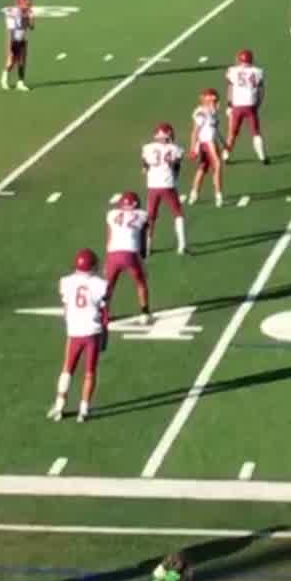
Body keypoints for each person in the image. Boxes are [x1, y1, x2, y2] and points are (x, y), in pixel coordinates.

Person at [49, 248, 108, 422]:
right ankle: (84, 410)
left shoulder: (65, 282)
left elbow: (66, 306)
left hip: (74, 331)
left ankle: (59, 406)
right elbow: (104, 310)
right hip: (92, 332)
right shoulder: (100, 285)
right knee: (89, 372)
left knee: (67, 369)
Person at [102, 191, 151, 320]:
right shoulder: (142, 215)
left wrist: (107, 259)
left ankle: (105, 315)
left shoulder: (112, 214)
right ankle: (144, 313)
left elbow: (109, 237)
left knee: (108, 286)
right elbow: (143, 239)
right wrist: (144, 257)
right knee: (141, 282)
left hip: (113, 253)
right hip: (130, 253)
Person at [140, 123, 187, 255]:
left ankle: (147, 246)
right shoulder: (176, 148)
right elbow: (177, 166)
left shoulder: (147, 148)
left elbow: (144, 165)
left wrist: (147, 168)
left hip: (153, 186)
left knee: (151, 217)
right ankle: (182, 244)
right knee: (178, 214)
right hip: (168, 185)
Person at [222, 49, 267, 165]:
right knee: (256, 132)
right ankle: (262, 156)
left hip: (237, 105)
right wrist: (258, 104)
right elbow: (261, 91)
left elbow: (230, 88)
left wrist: (229, 104)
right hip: (250, 105)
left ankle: (226, 154)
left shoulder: (232, 70)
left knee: (232, 132)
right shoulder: (258, 71)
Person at [186, 88, 224, 208]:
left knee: (202, 168)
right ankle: (218, 195)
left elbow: (216, 130)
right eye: (213, 100)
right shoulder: (201, 112)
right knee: (217, 165)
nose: (216, 103)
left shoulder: (213, 112)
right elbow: (195, 131)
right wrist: (192, 148)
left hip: (212, 142)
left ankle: (194, 193)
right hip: (206, 143)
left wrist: (224, 144)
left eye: (216, 100)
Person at [0, 0, 35, 91]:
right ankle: (4, 79)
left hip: (22, 40)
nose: (28, 5)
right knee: (11, 61)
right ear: (20, 3)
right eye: (26, 3)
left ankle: (20, 82)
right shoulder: (13, 13)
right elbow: (10, 32)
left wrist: (31, 19)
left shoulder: (29, 12)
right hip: (13, 40)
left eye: (29, 4)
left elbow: (32, 27)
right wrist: (9, 47)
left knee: (22, 62)